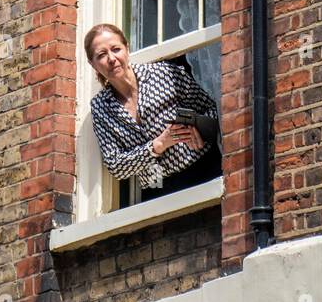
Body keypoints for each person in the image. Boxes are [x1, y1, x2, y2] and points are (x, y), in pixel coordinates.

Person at [85, 22, 221, 199]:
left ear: (127, 48)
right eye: (102, 55)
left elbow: (212, 108)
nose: (111, 58)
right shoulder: (100, 107)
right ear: (93, 64)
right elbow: (115, 165)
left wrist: (199, 129)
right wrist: (157, 146)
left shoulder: (163, 73)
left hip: (202, 168)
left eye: (116, 49)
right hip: (156, 187)